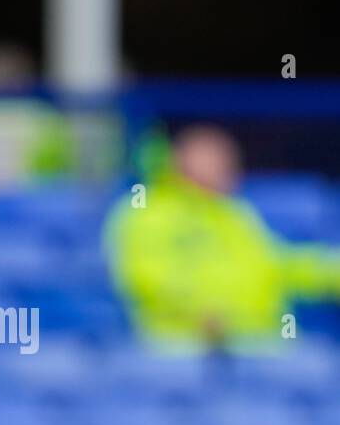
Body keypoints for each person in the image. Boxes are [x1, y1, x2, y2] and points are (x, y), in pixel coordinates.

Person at [104, 124, 340, 352]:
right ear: (182, 160)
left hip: (258, 338)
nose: (230, 167)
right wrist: (200, 314)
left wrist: (332, 271)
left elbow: (279, 264)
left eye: (231, 160)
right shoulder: (146, 213)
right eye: (218, 159)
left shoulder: (235, 213)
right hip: (180, 342)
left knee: (315, 360)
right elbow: (146, 277)